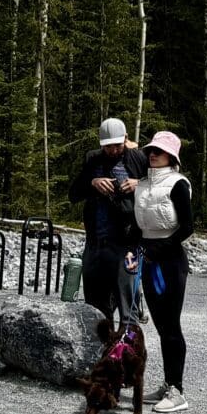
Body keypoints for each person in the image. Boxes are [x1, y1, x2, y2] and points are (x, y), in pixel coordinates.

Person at [135, 132, 195, 412]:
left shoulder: (178, 184)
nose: (153, 154)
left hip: (170, 262)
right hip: (149, 259)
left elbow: (187, 227)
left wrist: (157, 250)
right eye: (151, 150)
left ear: (171, 156)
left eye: (159, 151)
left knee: (171, 326)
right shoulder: (142, 184)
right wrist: (133, 247)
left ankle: (178, 391)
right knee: (160, 326)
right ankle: (168, 383)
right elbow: (138, 225)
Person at [68, 117, 148, 324]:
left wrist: (139, 184)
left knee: (127, 306)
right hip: (96, 242)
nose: (112, 150)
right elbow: (74, 193)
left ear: (126, 139)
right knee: (95, 308)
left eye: (117, 145)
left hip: (127, 243)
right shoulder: (92, 159)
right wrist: (93, 182)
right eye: (108, 146)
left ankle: (128, 352)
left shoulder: (139, 159)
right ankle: (101, 351)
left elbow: (163, 187)